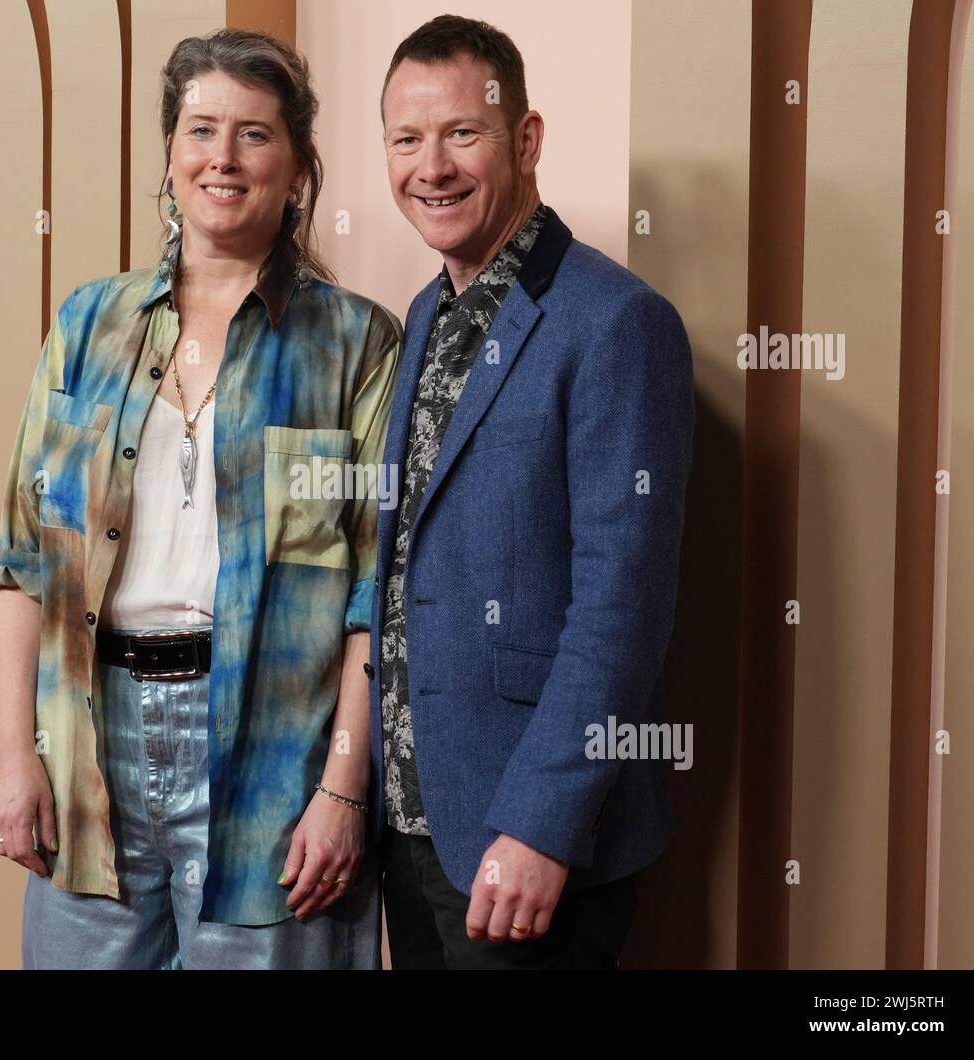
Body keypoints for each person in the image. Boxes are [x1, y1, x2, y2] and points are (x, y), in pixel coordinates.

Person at [0, 28, 402, 969]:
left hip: (274, 760)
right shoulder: (89, 324)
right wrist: (15, 757)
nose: (223, 156)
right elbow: (21, 561)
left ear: (297, 166)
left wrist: (342, 788)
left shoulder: (358, 343)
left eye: (254, 134)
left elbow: (381, 592)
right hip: (91, 743)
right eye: (201, 129)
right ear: (170, 153)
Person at [369, 15, 694, 969]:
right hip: (414, 830)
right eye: (405, 139)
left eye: (462, 133)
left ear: (527, 138)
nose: (432, 166)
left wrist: (542, 823)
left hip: (527, 845)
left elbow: (621, 607)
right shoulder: (428, 310)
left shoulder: (618, 322)